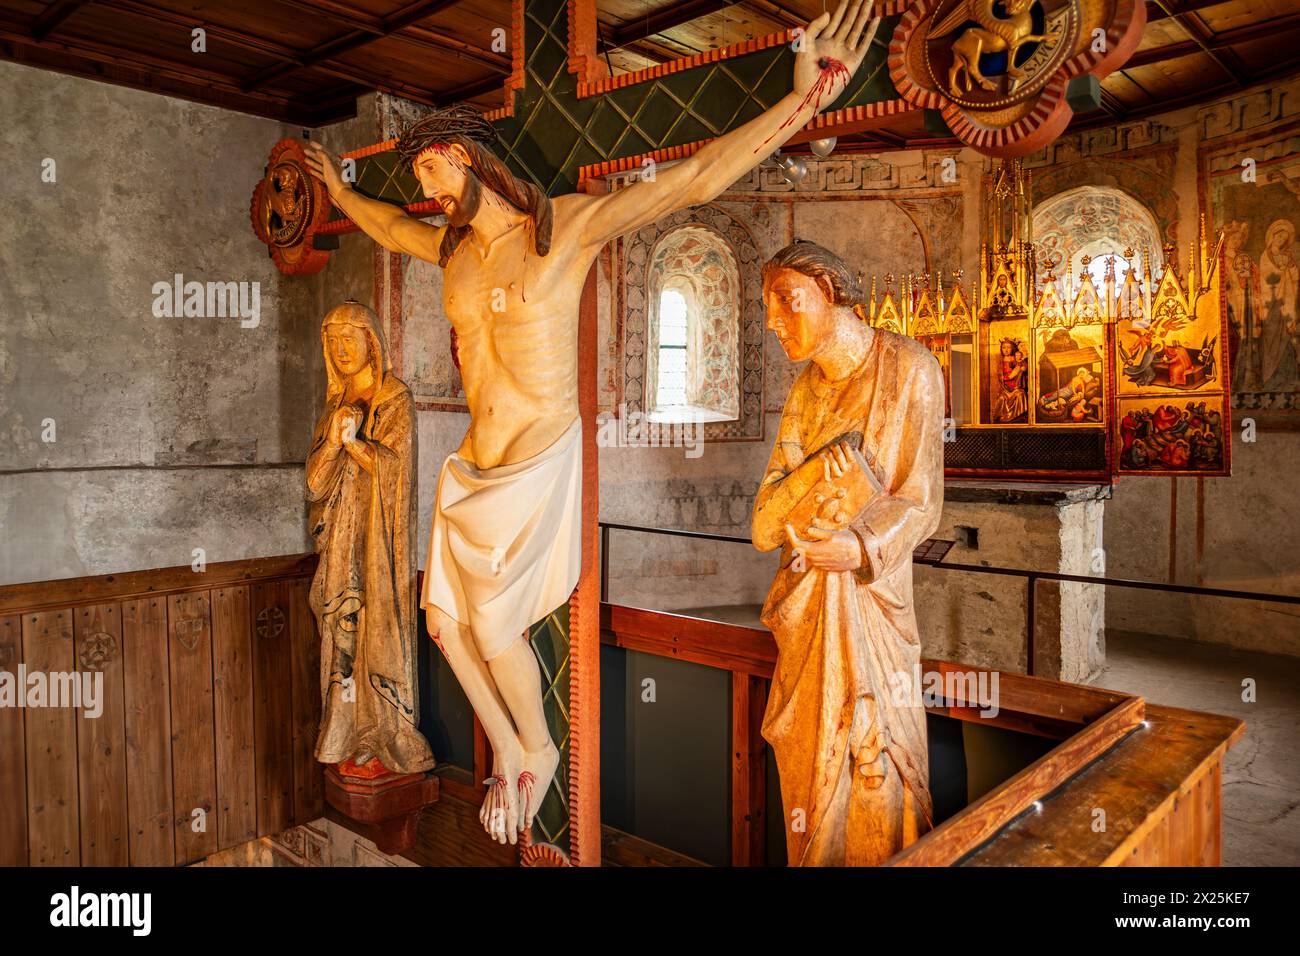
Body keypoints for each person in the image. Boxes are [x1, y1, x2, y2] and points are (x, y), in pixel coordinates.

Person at [304, 1, 884, 845]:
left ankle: (532, 744)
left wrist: (802, 103)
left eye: (431, 176)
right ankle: (513, 747)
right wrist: (339, 194)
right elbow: (393, 228)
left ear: (461, 157)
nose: (426, 197)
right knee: (442, 623)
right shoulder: (456, 253)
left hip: (535, 461)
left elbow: (692, 181)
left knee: (494, 625)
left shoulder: (565, 230)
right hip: (469, 468)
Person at [753, 239, 943, 866]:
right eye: (769, 308)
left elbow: (921, 499)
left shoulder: (910, 369)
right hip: (806, 608)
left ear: (831, 292)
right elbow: (765, 521)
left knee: (878, 755)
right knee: (811, 753)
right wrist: (811, 478)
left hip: (873, 604)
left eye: (788, 302)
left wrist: (857, 545)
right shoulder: (805, 391)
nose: (775, 321)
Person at [306, 301, 435, 775]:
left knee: (376, 623)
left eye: (350, 340)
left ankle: (385, 728)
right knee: (341, 626)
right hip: (340, 537)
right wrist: (338, 441)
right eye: (333, 342)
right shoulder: (334, 406)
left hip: (378, 540)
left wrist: (358, 444)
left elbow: (397, 471)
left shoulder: (394, 399)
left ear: (370, 343)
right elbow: (315, 485)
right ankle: (345, 728)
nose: (342, 350)